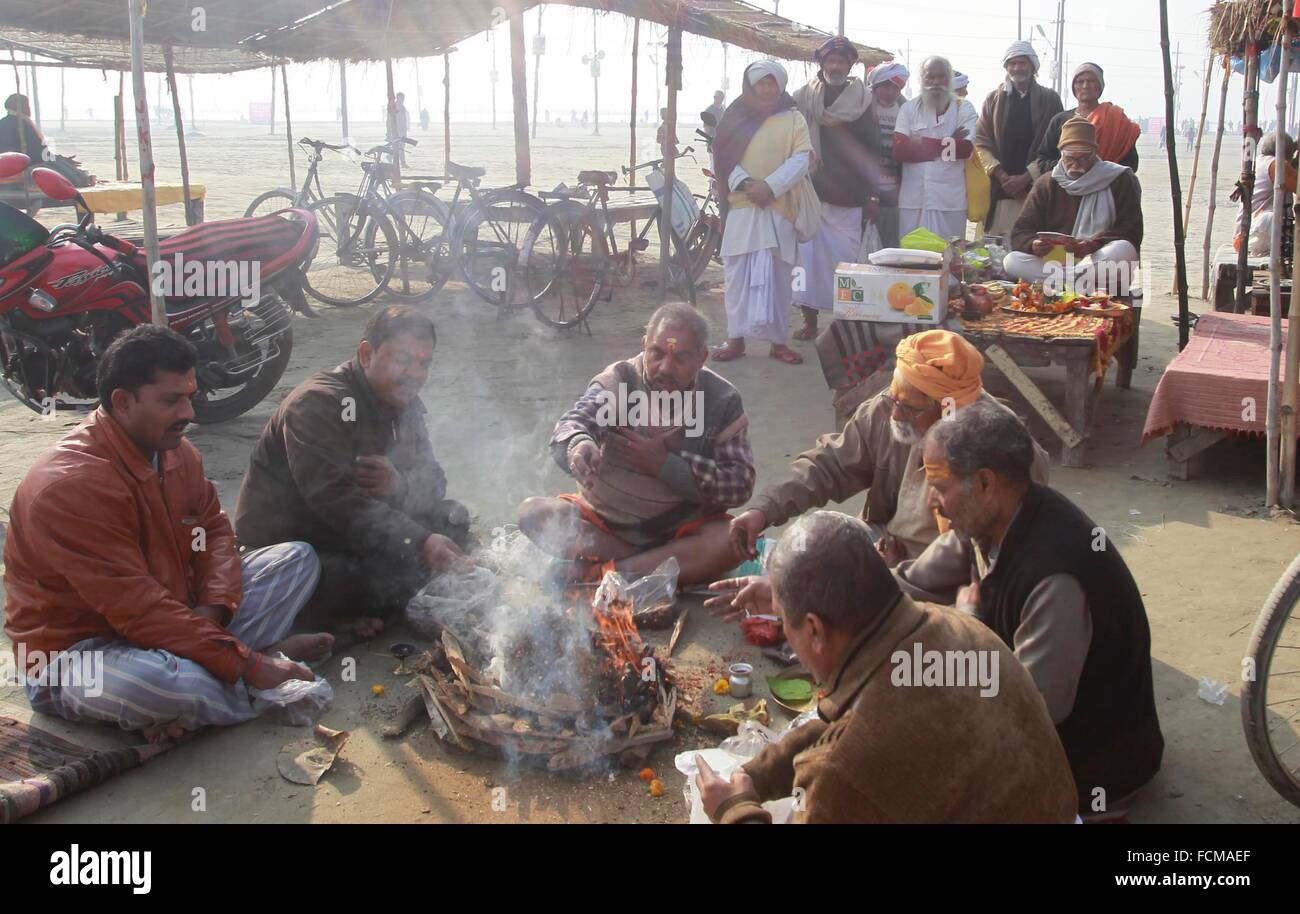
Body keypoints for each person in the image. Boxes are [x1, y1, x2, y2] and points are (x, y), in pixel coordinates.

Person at [3, 326, 330, 741]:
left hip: (178, 614)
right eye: (171, 400)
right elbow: (137, 610)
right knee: (171, 685)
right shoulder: (69, 487)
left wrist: (212, 609)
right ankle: (250, 676)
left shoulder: (176, 452)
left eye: (189, 397)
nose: (188, 413)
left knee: (296, 560)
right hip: (84, 652)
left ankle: (222, 664)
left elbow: (214, 533)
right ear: (122, 403)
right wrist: (250, 666)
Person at [695, 511, 1078, 824]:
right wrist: (758, 774)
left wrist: (736, 811)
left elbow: (853, 743)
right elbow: (844, 719)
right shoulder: (962, 628)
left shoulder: (843, 772)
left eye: (783, 619)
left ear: (814, 629)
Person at [894, 401, 1165, 819]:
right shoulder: (987, 519)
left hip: (1088, 768)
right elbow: (912, 582)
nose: (933, 501)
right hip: (1026, 705)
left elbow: (1029, 712)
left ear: (984, 484)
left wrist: (968, 627)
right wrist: (816, 590)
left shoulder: (1055, 574)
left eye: (940, 485)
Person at [235, 306, 473, 639]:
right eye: (403, 360)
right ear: (366, 354)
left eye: (424, 363)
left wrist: (399, 485)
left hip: (362, 533)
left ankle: (397, 594)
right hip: (302, 546)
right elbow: (335, 502)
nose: (415, 374)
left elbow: (433, 479)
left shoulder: (404, 404)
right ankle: (313, 619)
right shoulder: (317, 404)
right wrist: (420, 541)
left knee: (454, 517)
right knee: (382, 573)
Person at [731, 329, 1047, 567]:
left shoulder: (1006, 450)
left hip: (957, 573)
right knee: (802, 548)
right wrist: (763, 508)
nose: (895, 415)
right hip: (886, 542)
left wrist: (894, 575)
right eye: (892, 400)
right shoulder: (890, 407)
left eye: (910, 408)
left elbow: (993, 560)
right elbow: (830, 464)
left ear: (948, 410)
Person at [518, 304, 753, 586]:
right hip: (604, 526)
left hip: (681, 530)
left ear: (702, 357)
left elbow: (739, 485)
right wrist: (579, 445)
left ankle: (608, 571)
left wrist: (666, 466)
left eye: (680, 357)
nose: (666, 367)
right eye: (657, 353)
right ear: (644, 345)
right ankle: (649, 564)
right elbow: (574, 423)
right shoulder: (620, 379)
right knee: (534, 514)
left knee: (731, 540)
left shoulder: (722, 399)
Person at [710, 60, 814, 366]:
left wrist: (770, 187)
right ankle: (735, 339)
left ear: (780, 86)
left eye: (772, 83)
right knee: (737, 274)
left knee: (780, 276)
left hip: (779, 205)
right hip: (742, 205)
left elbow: (801, 158)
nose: (767, 89)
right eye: (761, 83)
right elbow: (723, 157)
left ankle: (778, 342)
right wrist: (747, 184)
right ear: (751, 85)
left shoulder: (794, 117)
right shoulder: (735, 116)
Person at [791, 36, 884, 341]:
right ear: (822, 63)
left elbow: (873, 150)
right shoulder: (805, 96)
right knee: (808, 260)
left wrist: (872, 195)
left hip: (849, 194)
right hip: (812, 191)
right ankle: (809, 321)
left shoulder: (863, 99)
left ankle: (845, 323)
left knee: (847, 265)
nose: (836, 66)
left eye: (842, 61)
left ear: (850, 65)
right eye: (831, 60)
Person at [1004, 116, 1142, 295]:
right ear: (1061, 154)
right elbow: (1020, 232)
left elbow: (1131, 231)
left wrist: (1089, 246)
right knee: (1011, 260)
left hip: (1094, 259)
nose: (1076, 165)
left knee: (1124, 250)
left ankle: (1066, 282)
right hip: (1056, 264)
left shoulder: (1118, 179)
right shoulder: (1046, 183)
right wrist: (1033, 244)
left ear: (1094, 154)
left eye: (1083, 159)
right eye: (1070, 158)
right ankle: (1077, 283)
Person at [975, 41, 1065, 237]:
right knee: (994, 255)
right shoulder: (993, 100)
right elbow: (981, 143)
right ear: (1006, 68)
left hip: (1036, 189)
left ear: (1032, 66)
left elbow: (1058, 147)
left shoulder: (1050, 100)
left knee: (1031, 250)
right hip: (999, 190)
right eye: (1012, 63)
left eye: (1022, 63)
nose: (1017, 68)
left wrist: (1026, 177)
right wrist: (1002, 176)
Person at [892, 56, 978, 243]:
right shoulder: (908, 109)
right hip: (913, 201)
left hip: (949, 202)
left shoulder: (963, 108)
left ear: (949, 80)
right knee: (911, 261)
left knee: (951, 260)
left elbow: (965, 149)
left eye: (941, 77)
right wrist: (947, 143)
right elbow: (900, 151)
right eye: (930, 77)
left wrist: (919, 143)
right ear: (922, 79)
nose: (936, 82)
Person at [1035, 63, 1139, 174]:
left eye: (1091, 81)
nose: (1085, 85)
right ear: (1074, 87)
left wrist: (1100, 172)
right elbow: (1043, 161)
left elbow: (1131, 164)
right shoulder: (1059, 120)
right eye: (1080, 82)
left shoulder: (1116, 120)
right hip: (1064, 189)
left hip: (1106, 187)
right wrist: (1071, 166)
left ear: (1100, 86)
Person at [0, 93, 92, 187]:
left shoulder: (3, 122)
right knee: (76, 179)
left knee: (58, 162)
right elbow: (39, 152)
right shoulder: (24, 123)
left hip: (8, 166)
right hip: (28, 166)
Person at [864, 61, 910, 248]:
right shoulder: (862, 109)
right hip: (867, 187)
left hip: (895, 190)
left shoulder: (906, 110)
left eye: (895, 88)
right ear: (875, 87)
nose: (890, 92)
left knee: (892, 243)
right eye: (885, 86)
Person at [1234, 132, 1296, 255]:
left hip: (1244, 235)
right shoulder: (1275, 165)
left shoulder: (1258, 162)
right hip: (1254, 235)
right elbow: (1296, 185)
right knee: (1272, 218)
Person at [386, 91, 410, 165]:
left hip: (402, 130)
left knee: (401, 146)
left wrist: (406, 127)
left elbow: (405, 118)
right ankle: (401, 162)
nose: (402, 100)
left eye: (403, 98)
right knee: (397, 147)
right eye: (401, 98)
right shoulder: (393, 106)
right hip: (395, 130)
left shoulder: (403, 107)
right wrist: (388, 130)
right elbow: (388, 120)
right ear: (398, 98)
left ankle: (392, 158)